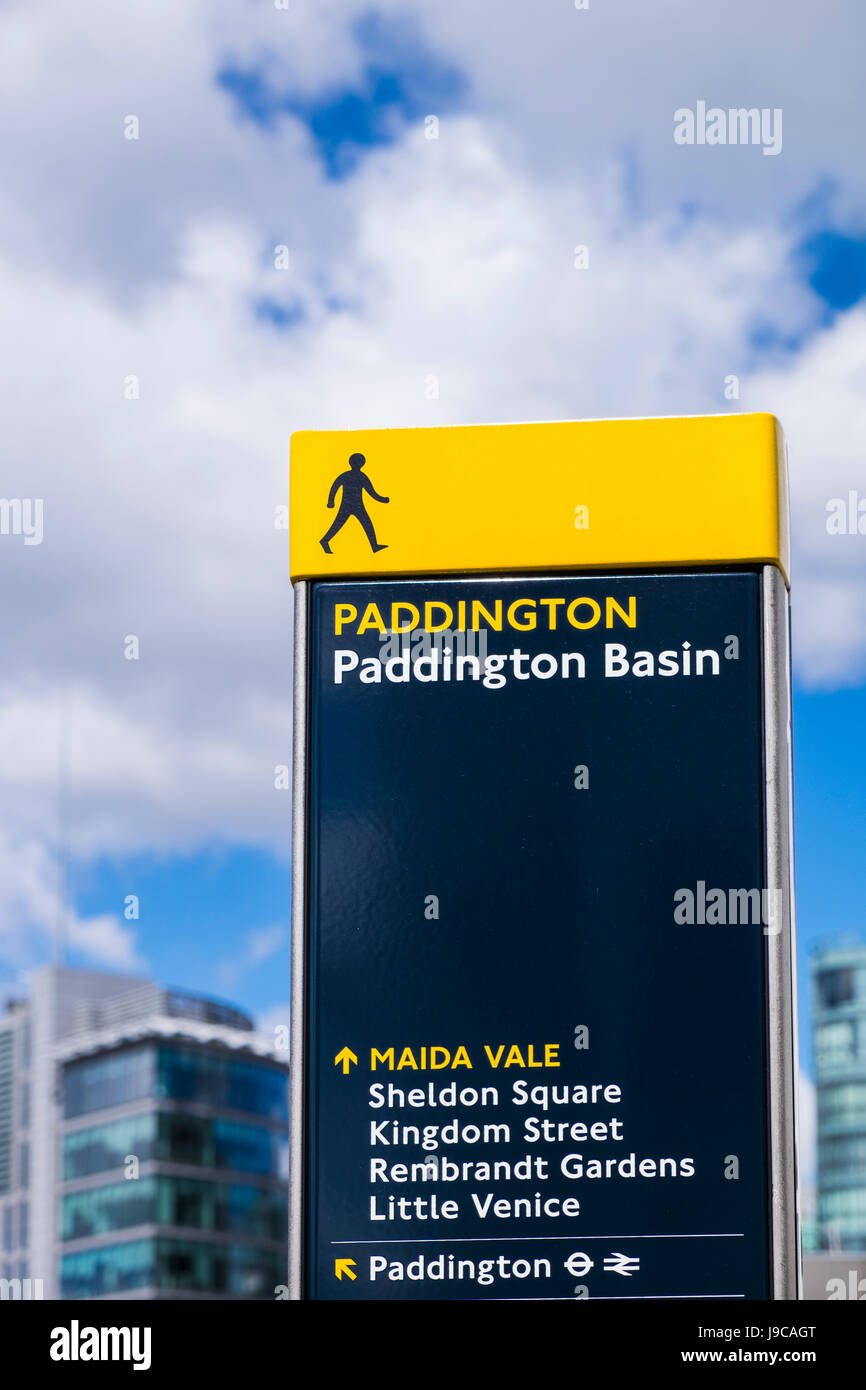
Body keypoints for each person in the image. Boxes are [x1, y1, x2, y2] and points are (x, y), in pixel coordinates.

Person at [320, 453, 389, 554]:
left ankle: (374, 546)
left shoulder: (360, 476)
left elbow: (371, 492)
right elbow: (335, 486)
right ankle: (325, 541)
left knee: (367, 524)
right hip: (348, 505)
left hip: (357, 506)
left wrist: (382, 499)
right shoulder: (352, 476)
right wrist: (330, 502)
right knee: (338, 525)